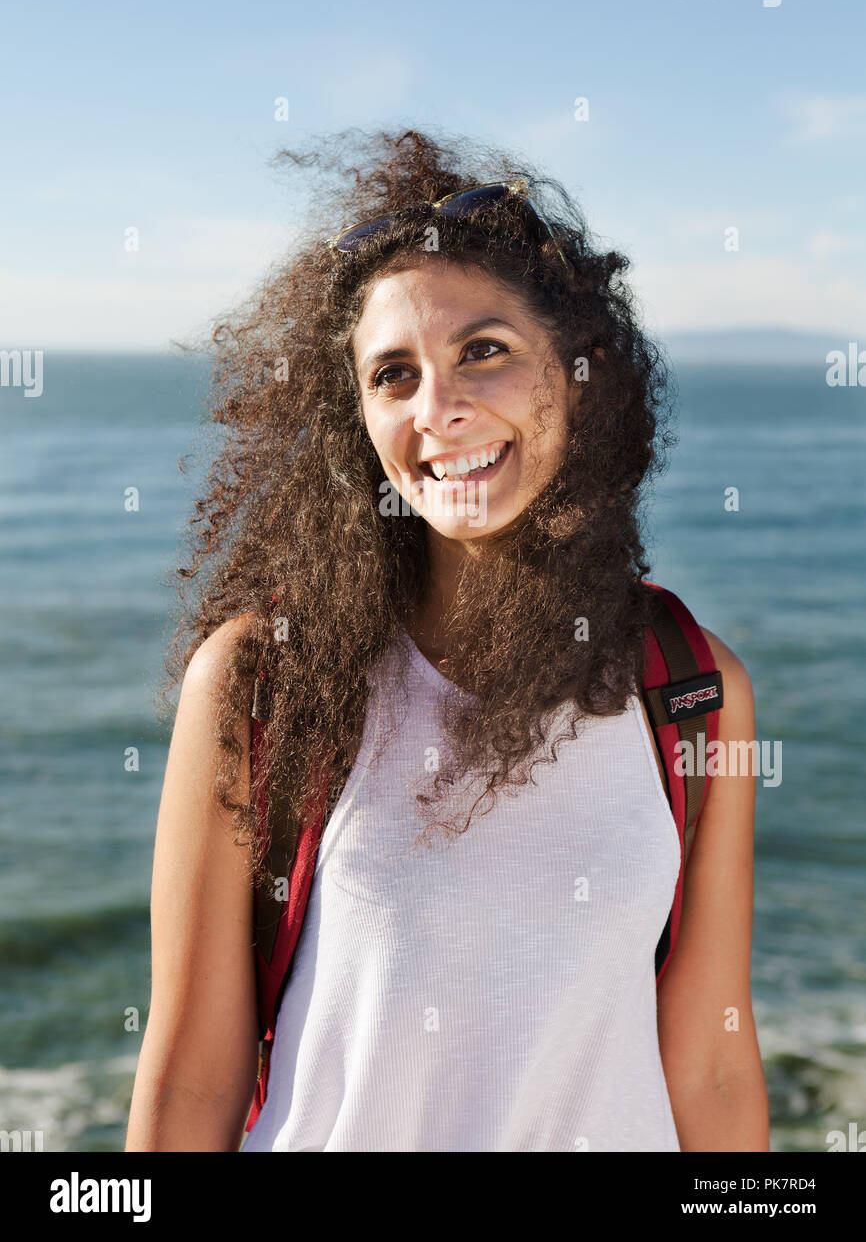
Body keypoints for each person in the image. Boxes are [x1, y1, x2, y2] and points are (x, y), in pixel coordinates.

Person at [125, 127, 768, 1152]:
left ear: (579, 371)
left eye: (484, 350)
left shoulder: (690, 687)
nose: (440, 410)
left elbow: (713, 1064)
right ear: (358, 420)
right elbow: (192, 1081)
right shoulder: (262, 679)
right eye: (392, 375)